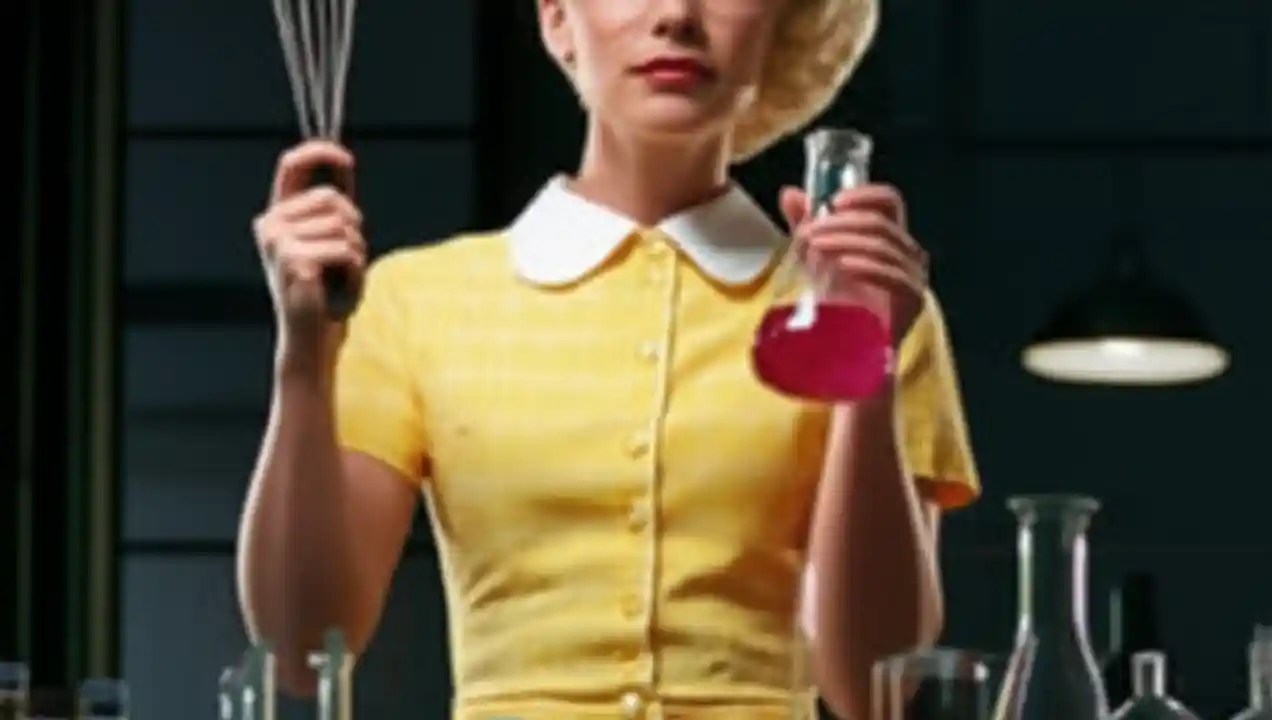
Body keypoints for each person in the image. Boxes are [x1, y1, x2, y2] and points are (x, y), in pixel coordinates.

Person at [236, 0, 981, 718]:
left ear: (783, 27)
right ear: (557, 18)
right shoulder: (413, 301)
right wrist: (302, 359)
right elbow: (305, 652)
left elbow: (874, 690)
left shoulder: (875, 306)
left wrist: (864, 361)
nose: (677, 16)